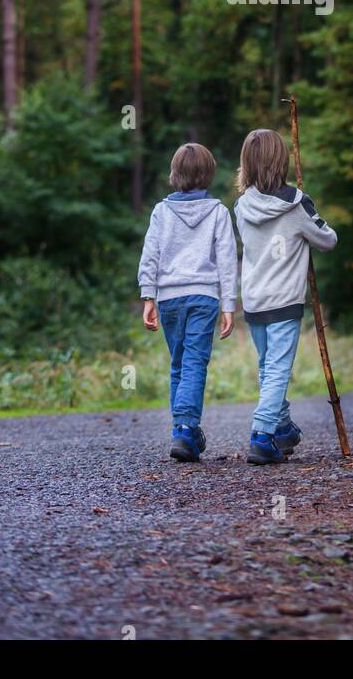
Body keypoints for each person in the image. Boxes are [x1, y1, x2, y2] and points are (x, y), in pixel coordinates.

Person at [234, 128, 337, 464]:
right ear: (282, 161)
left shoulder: (242, 206)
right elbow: (327, 240)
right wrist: (310, 216)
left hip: (254, 299)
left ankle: (281, 428)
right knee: (277, 370)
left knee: (268, 367)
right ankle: (262, 435)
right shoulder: (296, 204)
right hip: (284, 301)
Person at [139, 143, 237, 461]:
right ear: (208, 174)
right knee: (194, 362)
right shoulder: (218, 212)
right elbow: (227, 261)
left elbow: (150, 255)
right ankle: (185, 429)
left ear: (175, 174)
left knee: (179, 364)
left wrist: (148, 295)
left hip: (169, 298)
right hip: (204, 297)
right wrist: (228, 304)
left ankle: (183, 431)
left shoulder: (161, 212)